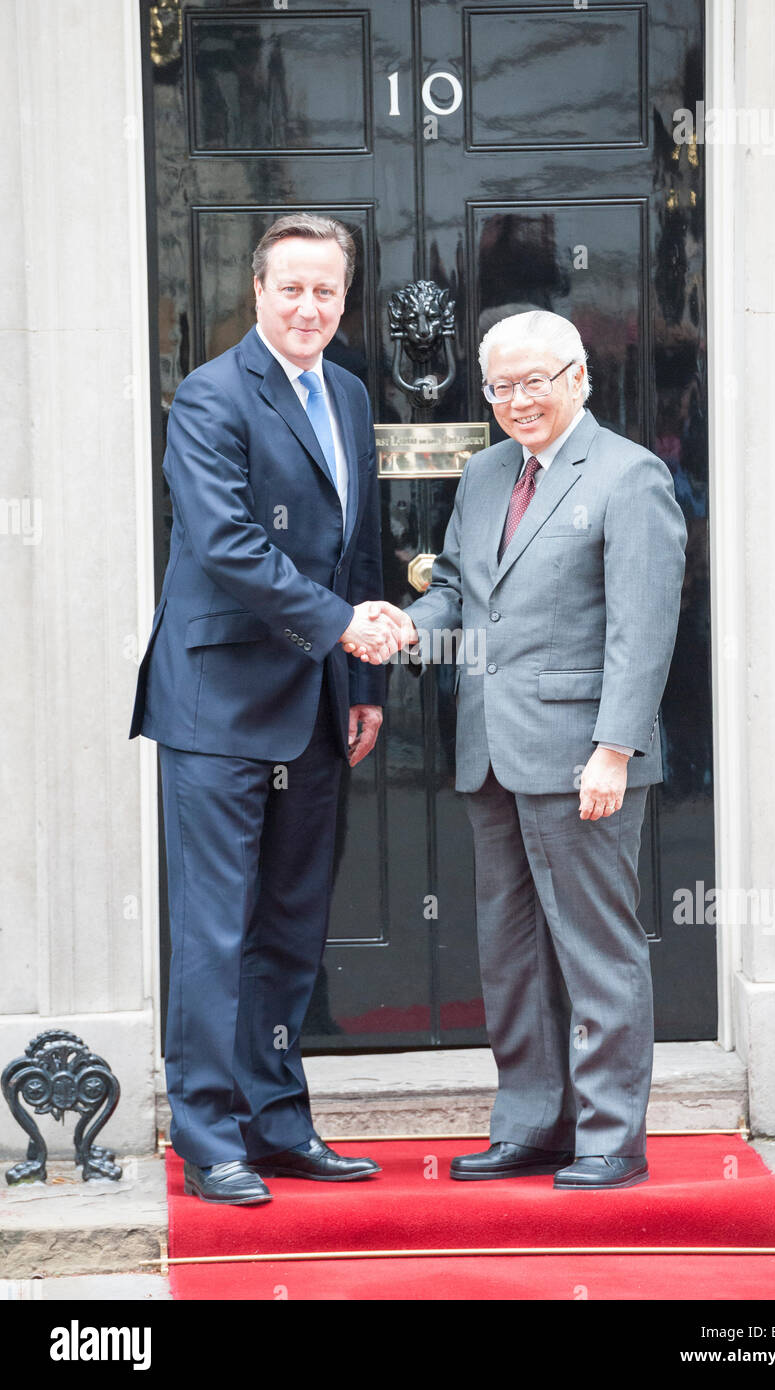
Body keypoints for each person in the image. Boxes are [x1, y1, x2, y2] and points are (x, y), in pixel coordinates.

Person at [359, 310, 687, 1190]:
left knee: (596, 950)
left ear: (578, 377)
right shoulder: (483, 473)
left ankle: (609, 1137)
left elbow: (643, 630)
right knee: (510, 953)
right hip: (491, 753)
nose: (516, 401)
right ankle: (532, 1125)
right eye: (500, 385)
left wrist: (614, 749)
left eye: (534, 380)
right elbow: (463, 593)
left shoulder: (630, 475)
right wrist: (402, 632)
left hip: (584, 757)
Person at [130, 213, 406, 1204]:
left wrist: (363, 682)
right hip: (217, 703)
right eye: (291, 287)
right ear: (257, 291)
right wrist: (345, 626)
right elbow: (227, 545)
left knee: (291, 926)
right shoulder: (208, 399)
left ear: (344, 297)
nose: (309, 306)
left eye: (326, 290)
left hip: (320, 700)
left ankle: (278, 1124)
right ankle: (209, 1138)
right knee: (214, 928)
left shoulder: (348, 392)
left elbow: (358, 546)